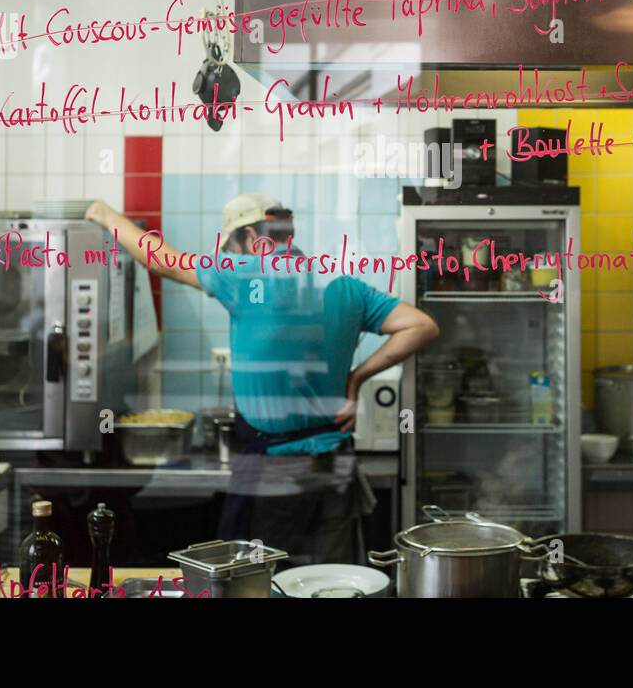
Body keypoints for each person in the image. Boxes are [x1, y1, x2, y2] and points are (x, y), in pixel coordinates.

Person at [85, 193, 439, 564]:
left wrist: (105, 214)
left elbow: (163, 261)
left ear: (254, 239)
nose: (231, 258)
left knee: (262, 581)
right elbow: (421, 325)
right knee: (335, 582)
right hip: (337, 470)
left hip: (276, 476)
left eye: (233, 249)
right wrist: (357, 377)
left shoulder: (242, 276)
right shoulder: (345, 284)